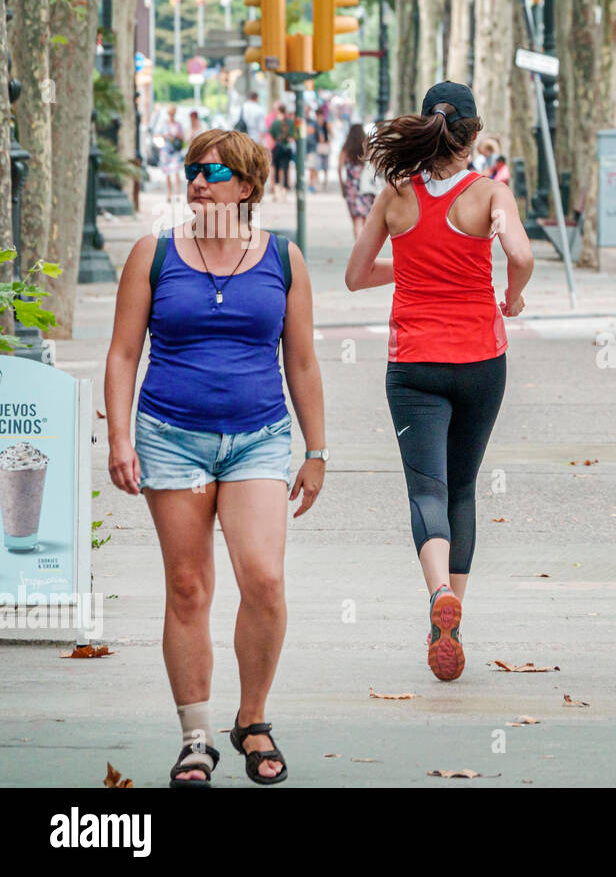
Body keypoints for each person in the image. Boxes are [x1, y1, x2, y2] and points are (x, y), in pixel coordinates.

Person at [104, 129, 327, 787]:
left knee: (263, 580)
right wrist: (120, 437)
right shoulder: (155, 254)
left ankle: (251, 720)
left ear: (247, 187)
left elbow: (305, 362)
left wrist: (316, 450)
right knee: (188, 587)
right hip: (171, 436)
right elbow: (122, 354)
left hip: (258, 436)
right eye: (193, 169)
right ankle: (196, 738)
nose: (199, 180)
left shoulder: (284, 259)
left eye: (216, 171)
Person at [345, 82, 533, 682]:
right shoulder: (489, 194)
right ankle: (455, 610)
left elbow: (354, 275)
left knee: (427, 488)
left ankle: (435, 600)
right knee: (464, 488)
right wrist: (513, 292)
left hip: (415, 366)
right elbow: (521, 255)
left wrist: (413, 263)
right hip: (482, 362)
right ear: (474, 134)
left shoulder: (396, 196)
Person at [338, 122, 377, 242]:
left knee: (356, 220)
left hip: (352, 189)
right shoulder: (368, 147)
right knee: (364, 220)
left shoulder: (346, 149)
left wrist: (342, 185)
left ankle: (359, 247)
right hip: (366, 188)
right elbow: (375, 165)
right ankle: (363, 247)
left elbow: (339, 168)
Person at [155, 104, 185, 202]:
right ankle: (169, 194)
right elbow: (157, 135)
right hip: (166, 150)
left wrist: (177, 135)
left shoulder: (178, 125)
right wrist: (165, 135)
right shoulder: (164, 124)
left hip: (175, 150)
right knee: (167, 172)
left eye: (173, 114)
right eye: (170, 114)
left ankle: (177, 193)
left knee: (176, 171)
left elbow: (182, 137)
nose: (171, 116)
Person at [269, 103, 294, 202]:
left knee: (276, 169)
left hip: (278, 148)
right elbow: (293, 136)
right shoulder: (291, 122)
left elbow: (272, 134)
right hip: (287, 148)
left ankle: (277, 192)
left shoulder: (275, 123)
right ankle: (284, 191)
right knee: (286, 168)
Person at [313, 106, 331, 189]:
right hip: (317, 146)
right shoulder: (315, 124)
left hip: (325, 146)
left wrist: (328, 142)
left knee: (325, 165)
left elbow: (331, 133)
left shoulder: (326, 124)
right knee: (317, 164)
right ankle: (317, 182)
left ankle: (325, 181)